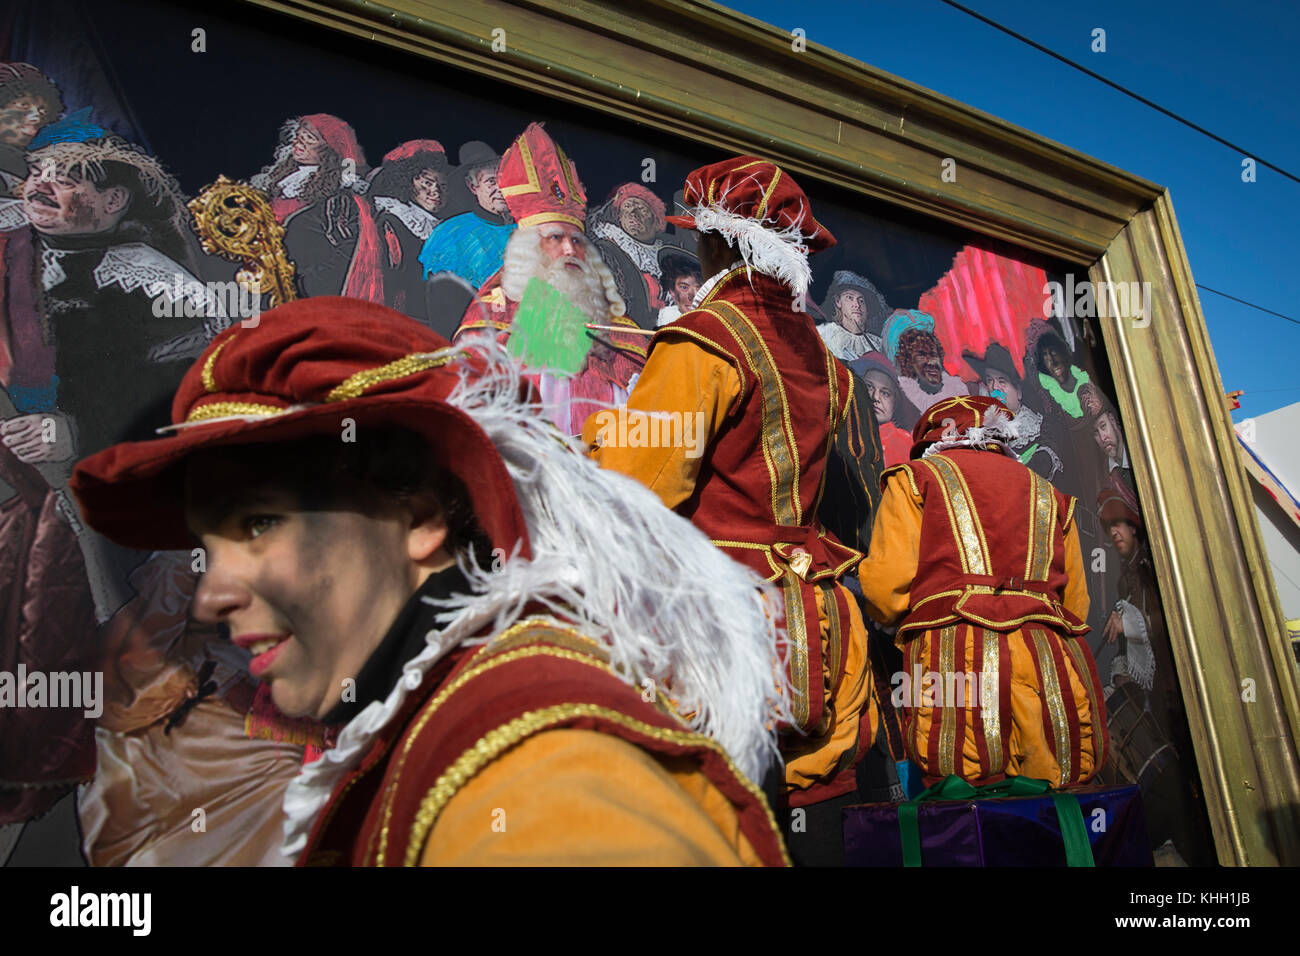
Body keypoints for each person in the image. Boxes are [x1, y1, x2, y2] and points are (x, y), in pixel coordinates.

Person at [70, 295, 792, 866]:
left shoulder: (533, 758)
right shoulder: (428, 716)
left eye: (258, 525)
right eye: (207, 544)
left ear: (418, 516)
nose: (209, 595)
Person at [583, 155, 875, 865]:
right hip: (816, 630)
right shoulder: (830, 366)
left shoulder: (706, 337)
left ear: (718, 242)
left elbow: (635, 490)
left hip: (722, 630)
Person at [859, 394, 1107, 788]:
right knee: (1055, 796)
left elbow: (886, 588)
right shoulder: (1052, 496)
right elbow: (1076, 604)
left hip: (956, 659)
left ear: (933, 439)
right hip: (1046, 660)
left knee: (963, 802)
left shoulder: (916, 478)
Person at [455, 123, 644, 436]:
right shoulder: (492, 317)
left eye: (577, 241)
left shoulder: (619, 327)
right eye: (556, 238)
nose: (570, 249)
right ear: (531, 249)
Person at [250, 113, 377, 299]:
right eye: (299, 135)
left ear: (330, 151)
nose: (299, 142)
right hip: (261, 284)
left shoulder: (336, 199)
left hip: (300, 297)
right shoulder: (283, 185)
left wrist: (306, 285)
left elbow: (347, 251)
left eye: (310, 138)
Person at [364, 139, 450, 321]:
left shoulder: (441, 227)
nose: (435, 191)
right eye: (427, 182)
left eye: (442, 186)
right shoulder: (392, 222)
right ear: (408, 184)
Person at [963, 341, 1065, 482]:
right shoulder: (982, 432)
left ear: (1019, 392)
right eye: (989, 380)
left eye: (1002, 381)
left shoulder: (1041, 430)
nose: (995, 387)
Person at [588, 182, 670, 327]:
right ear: (619, 216)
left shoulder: (668, 257)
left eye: (641, 209)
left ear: (655, 219)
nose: (633, 213)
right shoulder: (606, 250)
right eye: (627, 206)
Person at [884, 308, 972, 414]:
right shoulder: (902, 396)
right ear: (908, 363)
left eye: (933, 355)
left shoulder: (957, 388)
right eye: (921, 356)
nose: (931, 362)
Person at [0, 62, 62, 198]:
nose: (37, 117)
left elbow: (50, 189)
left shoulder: (49, 159)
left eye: (43, 110)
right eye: (23, 105)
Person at [848, 351, 914, 467]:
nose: (875, 397)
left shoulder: (904, 443)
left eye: (885, 393)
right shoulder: (841, 431)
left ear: (895, 404)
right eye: (869, 387)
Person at [816, 270, 890, 362]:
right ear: (838, 301)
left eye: (861, 300)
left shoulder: (879, 344)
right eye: (849, 298)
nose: (857, 305)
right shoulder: (823, 334)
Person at [655, 249, 703, 326]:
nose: (693, 297)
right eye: (684, 287)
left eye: (700, 288)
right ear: (672, 292)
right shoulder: (667, 317)